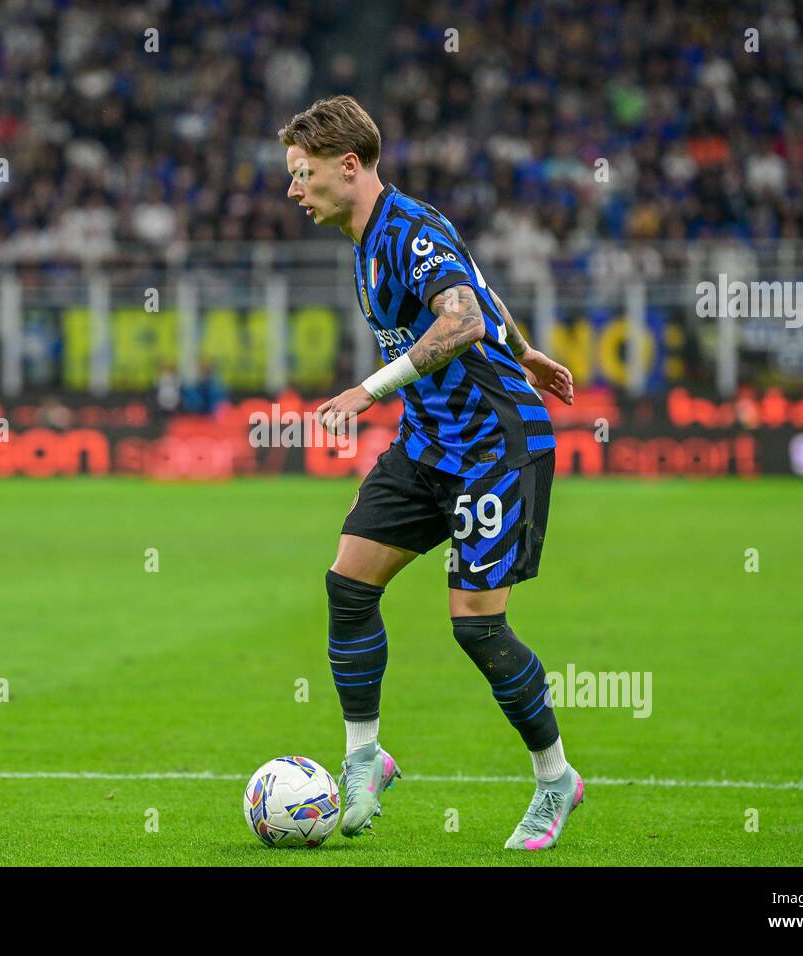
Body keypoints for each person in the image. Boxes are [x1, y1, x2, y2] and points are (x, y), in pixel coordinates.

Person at [279, 95, 582, 849]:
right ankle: (363, 758)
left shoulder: (406, 229)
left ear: (348, 167)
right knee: (349, 584)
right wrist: (526, 347)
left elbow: (461, 317)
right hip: (428, 443)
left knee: (477, 629)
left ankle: (556, 781)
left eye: (302, 173)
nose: (293, 190)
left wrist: (367, 390)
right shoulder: (377, 231)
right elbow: (478, 287)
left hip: (495, 447)